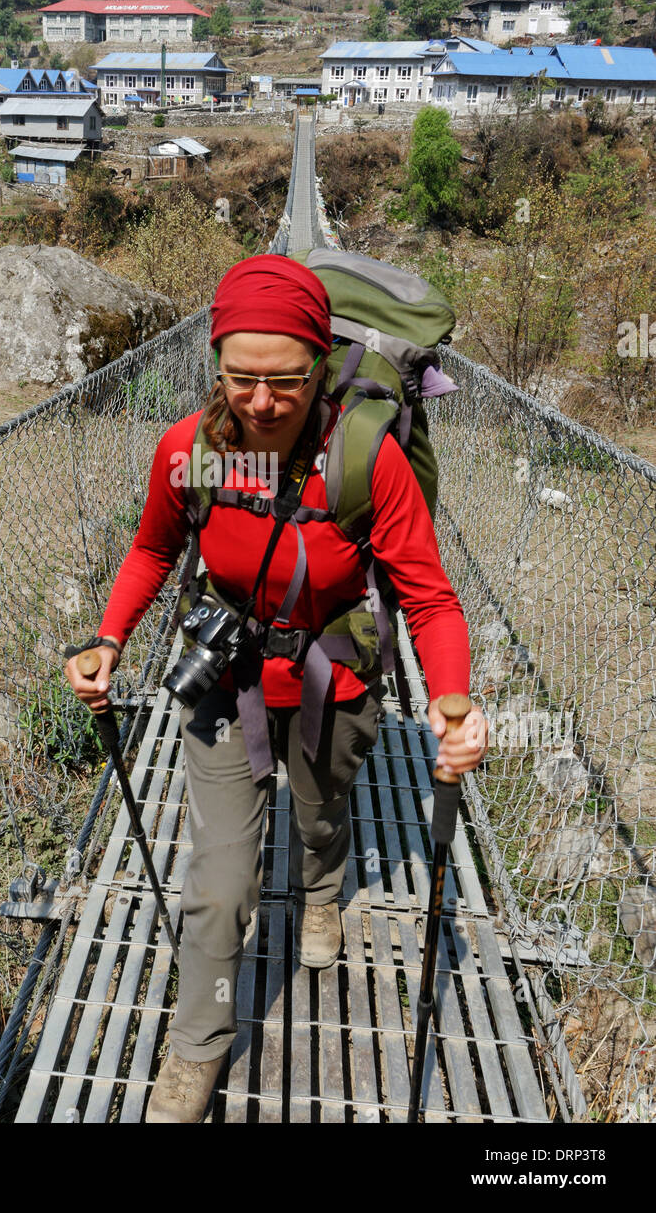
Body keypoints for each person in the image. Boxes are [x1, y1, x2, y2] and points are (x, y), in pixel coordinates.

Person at [65, 254, 487, 1124]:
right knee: (220, 883)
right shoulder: (189, 450)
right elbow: (151, 551)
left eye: (286, 381)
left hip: (333, 676)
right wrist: (110, 638)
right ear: (215, 368)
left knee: (322, 810)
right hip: (224, 681)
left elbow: (430, 596)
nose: (261, 402)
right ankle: (197, 1049)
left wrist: (453, 699)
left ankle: (323, 889)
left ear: (320, 367)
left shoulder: (365, 461)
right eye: (241, 379)